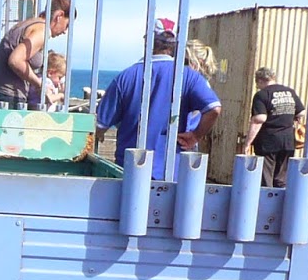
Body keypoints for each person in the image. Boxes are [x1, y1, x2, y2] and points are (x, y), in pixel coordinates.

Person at [94, 19, 221, 180]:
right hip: (171, 174)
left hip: (129, 172)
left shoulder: (126, 77)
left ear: (148, 41)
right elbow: (214, 108)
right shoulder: (189, 77)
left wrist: (99, 135)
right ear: (174, 45)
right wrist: (196, 136)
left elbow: (99, 125)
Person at [0, 0, 71, 109]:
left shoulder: (30, 23)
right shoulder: (42, 30)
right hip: (6, 98)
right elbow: (16, 61)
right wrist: (40, 85)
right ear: (59, 16)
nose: (65, 31)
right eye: (67, 25)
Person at [241, 67, 304, 186]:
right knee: (281, 179)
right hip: (288, 141)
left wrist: (248, 143)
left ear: (260, 80)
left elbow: (259, 119)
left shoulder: (262, 95)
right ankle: (280, 197)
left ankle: (267, 197)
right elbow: (301, 112)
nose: (257, 86)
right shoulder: (289, 92)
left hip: (268, 141)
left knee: (266, 177)